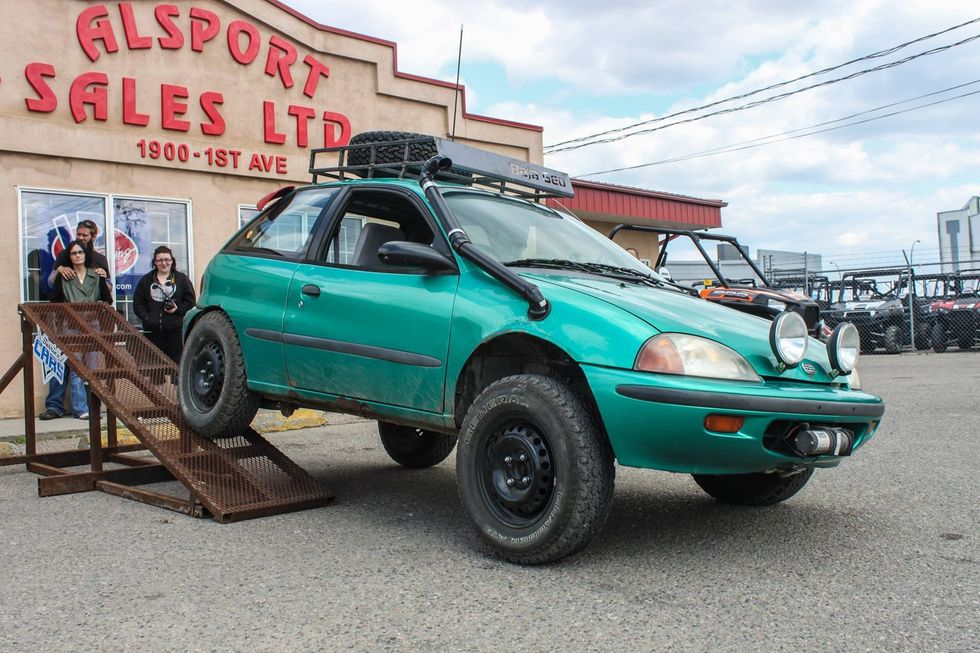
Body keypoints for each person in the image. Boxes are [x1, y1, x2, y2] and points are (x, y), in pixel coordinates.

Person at [39, 221, 112, 421]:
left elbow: (107, 291)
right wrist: (59, 270)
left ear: (93, 236)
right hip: (65, 321)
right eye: (78, 235)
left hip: (91, 322)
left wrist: (105, 279)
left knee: (90, 367)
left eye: (84, 236)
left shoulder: (99, 260)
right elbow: (50, 284)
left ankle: (89, 407)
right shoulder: (64, 254)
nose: (80, 239)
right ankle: (56, 406)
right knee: (61, 364)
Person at [133, 246, 196, 364]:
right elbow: (137, 304)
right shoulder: (146, 280)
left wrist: (178, 309)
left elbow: (190, 302)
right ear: (155, 262)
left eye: (167, 260)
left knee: (177, 370)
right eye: (160, 260)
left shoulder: (182, 279)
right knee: (155, 373)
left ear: (172, 261)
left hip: (176, 333)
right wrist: (148, 319)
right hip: (153, 335)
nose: (164, 263)